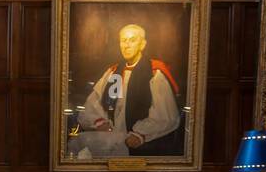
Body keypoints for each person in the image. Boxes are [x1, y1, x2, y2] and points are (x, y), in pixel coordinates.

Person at [70, 23, 182, 158]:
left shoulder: (154, 73)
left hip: (141, 144)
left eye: (132, 40)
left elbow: (165, 115)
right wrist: (101, 122)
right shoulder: (114, 73)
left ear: (142, 44)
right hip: (112, 138)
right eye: (123, 40)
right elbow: (94, 105)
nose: (126, 45)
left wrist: (141, 134)